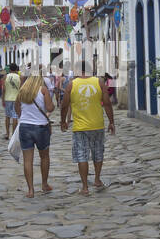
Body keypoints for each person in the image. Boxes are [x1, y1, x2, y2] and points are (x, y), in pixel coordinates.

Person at [61, 62, 114, 194]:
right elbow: (107, 103)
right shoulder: (100, 82)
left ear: (78, 70)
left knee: (82, 156)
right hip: (97, 124)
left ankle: (85, 187)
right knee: (98, 153)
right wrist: (111, 121)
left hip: (80, 127)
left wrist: (63, 121)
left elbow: (64, 105)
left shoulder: (71, 84)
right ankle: (97, 179)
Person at [15, 74, 55, 198]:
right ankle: (44, 184)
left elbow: (17, 109)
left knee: (27, 160)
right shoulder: (43, 90)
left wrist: (26, 116)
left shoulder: (21, 91)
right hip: (41, 127)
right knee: (44, 157)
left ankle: (31, 190)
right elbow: (50, 108)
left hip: (25, 127)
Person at [2, 62, 22, 139]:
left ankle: (7, 133)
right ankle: (14, 134)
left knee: (7, 116)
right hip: (16, 98)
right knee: (15, 117)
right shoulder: (19, 77)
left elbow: (4, 89)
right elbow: (21, 89)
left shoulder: (5, 77)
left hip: (7, 98)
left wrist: (3, 99)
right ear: (16, 69)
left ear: (9, 69)